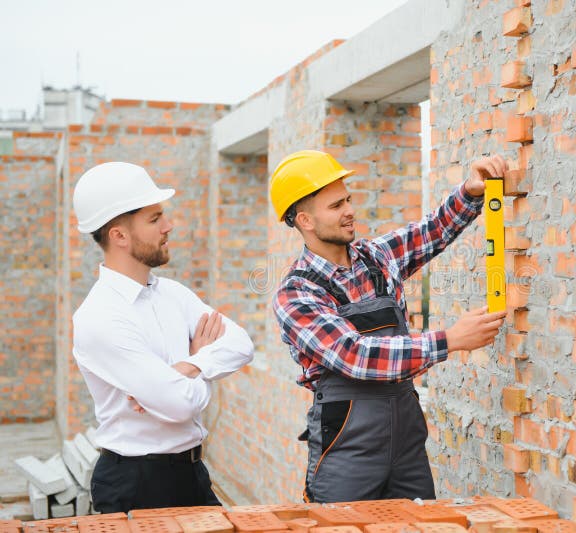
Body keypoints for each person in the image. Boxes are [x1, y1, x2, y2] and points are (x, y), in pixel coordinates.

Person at [271, 150, 508, 503]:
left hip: (407, 442)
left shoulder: (375, 258)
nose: (350, 209)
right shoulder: (297, 292)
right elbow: (355, 355)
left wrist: (471, 191)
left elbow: (432, 231)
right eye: (336, 206)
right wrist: (449, 340)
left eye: (348, 199)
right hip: (348, 449)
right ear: (305, 220)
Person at [71, 162, 254, 512]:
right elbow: (181, 405)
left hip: (193, 473)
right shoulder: (100, 317)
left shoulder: (173, 294)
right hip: (136, 485)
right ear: (120, 236)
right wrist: (201, 373)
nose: (168, 226)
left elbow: (242, 344)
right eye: (155, 219)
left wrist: (190, 364)